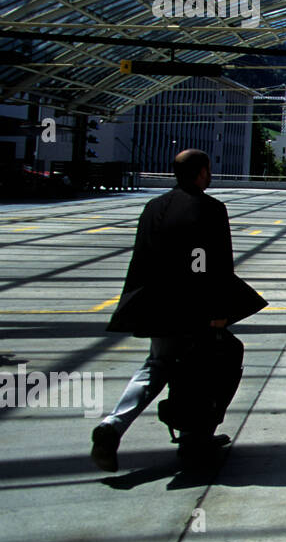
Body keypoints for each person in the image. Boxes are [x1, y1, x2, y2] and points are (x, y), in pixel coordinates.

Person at [92, 149, 266, 471]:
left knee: (157, 365)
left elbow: (142, 259)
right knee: (206, 367)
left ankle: (113, 425)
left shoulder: (153, 207)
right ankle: (193, 437)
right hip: (194, 307)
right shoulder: (210, 208)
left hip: (157, 306)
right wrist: (217, 308)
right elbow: (210, 263)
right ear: (201, 173)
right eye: (208, 170)